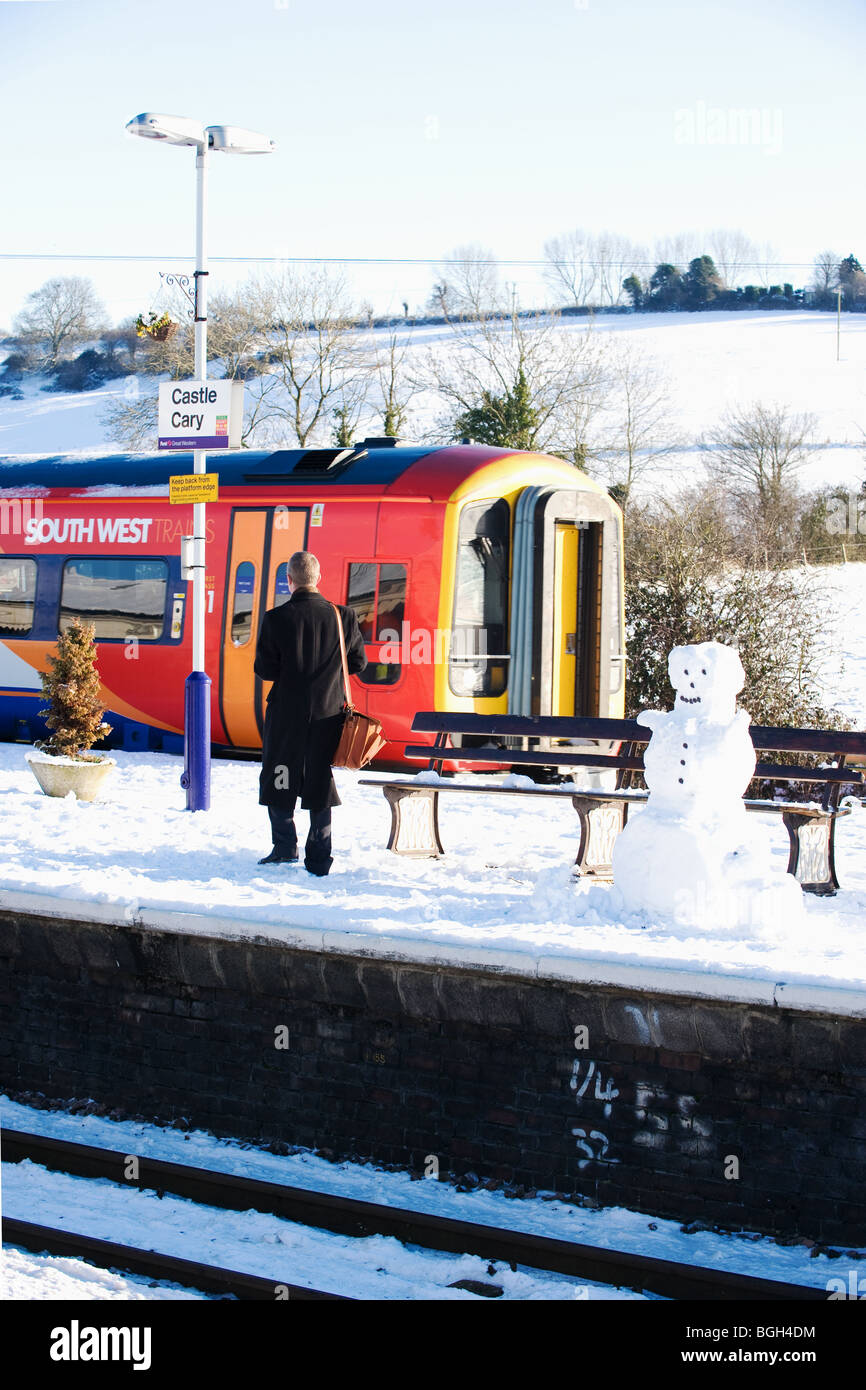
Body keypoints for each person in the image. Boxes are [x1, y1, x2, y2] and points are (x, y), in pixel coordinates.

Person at [254, 550, 366, 876]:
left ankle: (284, 846)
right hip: (329, 714)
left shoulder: (276, 618)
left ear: (289, 581)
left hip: (286, 713)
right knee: (319, 781)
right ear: (319, 578)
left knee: (279, 775)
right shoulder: (342, 616)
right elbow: (357, 663)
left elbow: (265, 669)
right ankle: (319, 858)